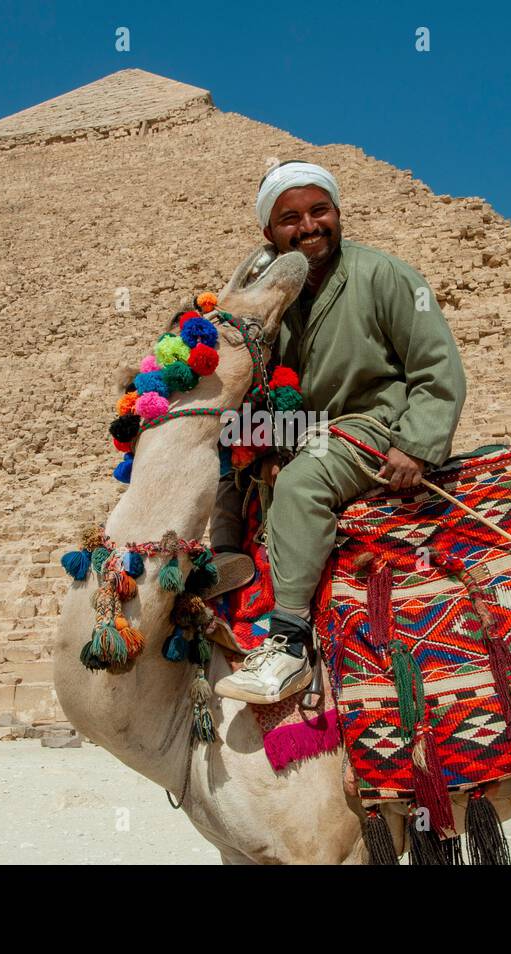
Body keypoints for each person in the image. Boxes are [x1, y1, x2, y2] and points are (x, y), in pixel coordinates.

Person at [211, 161, 467, 704]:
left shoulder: (384, 275)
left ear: (337, 212)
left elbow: (436, 367)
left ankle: (288, 643)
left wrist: (415, 445)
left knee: (303, 484)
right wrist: (261, 444)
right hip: (294, 429)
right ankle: (220, 577)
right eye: (290, 218)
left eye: (319, 211)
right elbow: (253, 384)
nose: (308, 226)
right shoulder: (268, 299)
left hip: (370, 425)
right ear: (269, 233)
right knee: (218, 456)